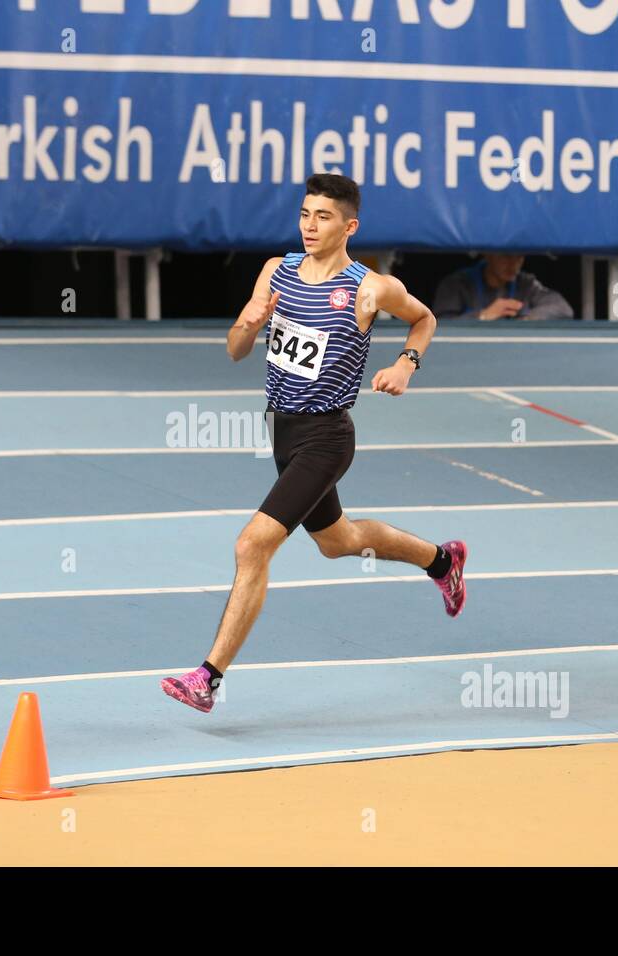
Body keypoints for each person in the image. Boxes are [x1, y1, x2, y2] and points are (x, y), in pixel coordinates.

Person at [160, 173, 468, 714]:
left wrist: (405, 364)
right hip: (281, 431)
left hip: (327, 436)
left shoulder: (370, 287)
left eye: (323, 217)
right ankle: (442, 561)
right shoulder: (274, 271)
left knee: (252, 545)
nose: (309, 225)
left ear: (349, 226)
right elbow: (235, 350)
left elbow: (424, 319)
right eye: (304, 214)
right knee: (338, 540)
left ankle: (207, 677)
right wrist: (249, 325)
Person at [432, 253, 574, 321]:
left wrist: (527, 319)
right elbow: (440, 325)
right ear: (487, 255)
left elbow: (563, 308)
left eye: (519, 257)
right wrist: (483, 316)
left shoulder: (526, 283)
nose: (513, 264)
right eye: (506, 256)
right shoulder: (457, 283)